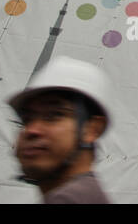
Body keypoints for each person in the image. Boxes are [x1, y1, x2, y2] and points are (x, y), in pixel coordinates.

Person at [8, 56, 114, 204]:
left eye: (54, 115)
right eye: (26, 119)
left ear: (92, 129)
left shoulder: (69, 199)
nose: (32, 130)